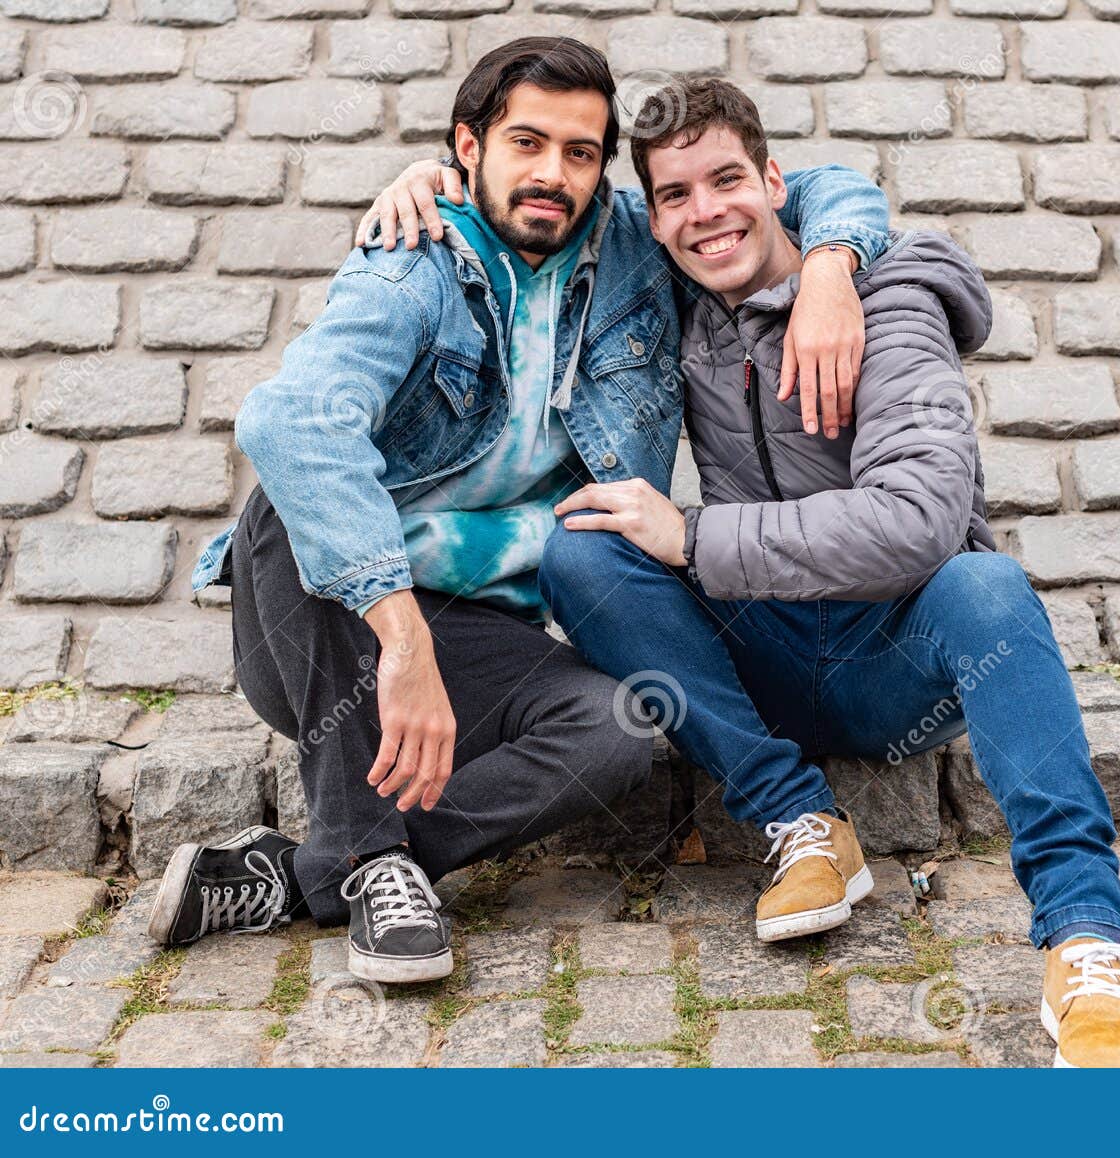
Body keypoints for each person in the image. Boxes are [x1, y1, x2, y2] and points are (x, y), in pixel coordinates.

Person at [150, 39, 893, 987]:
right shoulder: (413, 265)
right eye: (526, 144)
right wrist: (403, 641)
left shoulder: (637, 245)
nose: (553, 174)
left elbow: (823, 186)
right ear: (469, 147)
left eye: (580, 152)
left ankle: (325, 868)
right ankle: (373, 868)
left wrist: (830, 267)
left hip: (482, 638)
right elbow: (289, 424)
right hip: (329, 627)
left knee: (619, 726)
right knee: (287, 512)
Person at [530, 78, 1120, 1067]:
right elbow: (544, 196)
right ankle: (801, 820)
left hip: (889, 659)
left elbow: (916, 524)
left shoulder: (894, 302)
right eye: (675, 196)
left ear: (774, 182)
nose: (706, 214)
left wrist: (694, 537)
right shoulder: (684, 302)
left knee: (985, 586)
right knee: (583, 546)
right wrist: (438, 172)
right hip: (765, 655)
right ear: (651, 219)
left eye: (728, 181)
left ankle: (1086, 948)